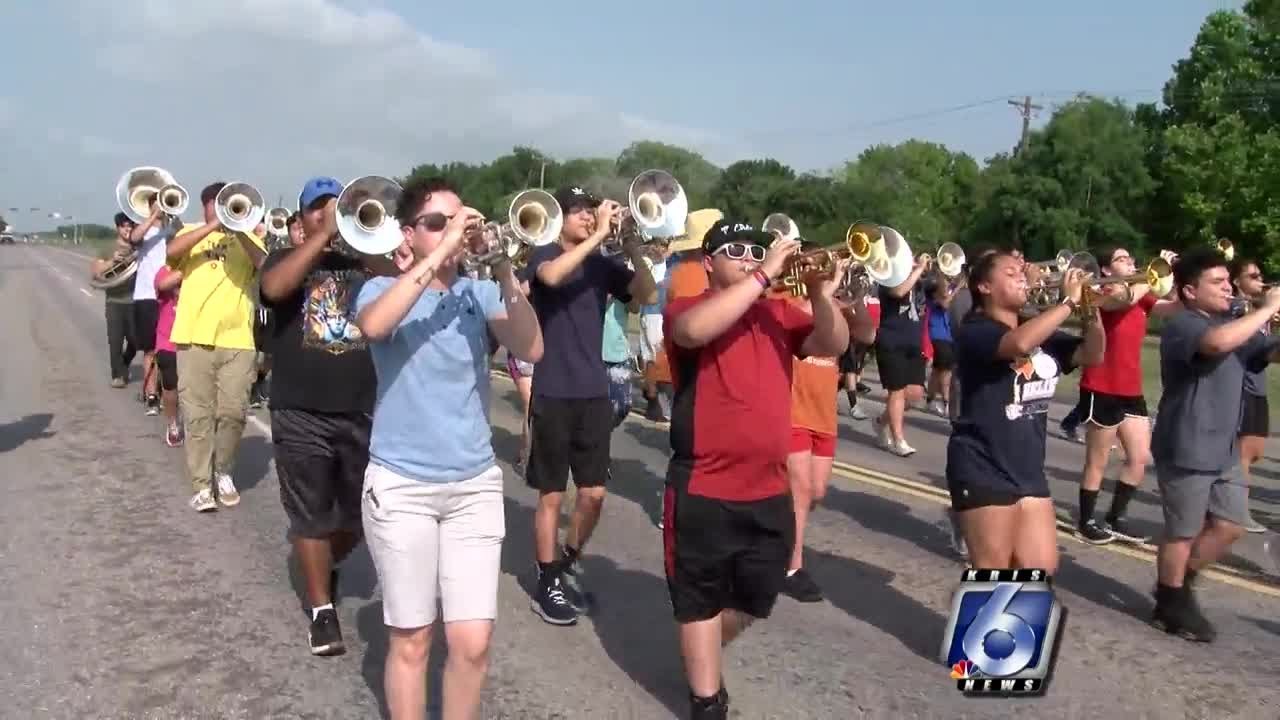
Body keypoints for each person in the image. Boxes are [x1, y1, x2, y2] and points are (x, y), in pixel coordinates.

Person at [354, 176, 542, 719]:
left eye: (460, 220)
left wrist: (502, 267)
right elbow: (375, 326)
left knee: (472, 643)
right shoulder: (378, 287)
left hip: (473, 486)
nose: (453, 230)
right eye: (437, 222)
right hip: (402, 486)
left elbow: (532, 346)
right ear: (407, 234)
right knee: (413, 640)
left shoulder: (478, 294)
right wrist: (436, 257)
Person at [663, 220, 848, 720]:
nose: (749, 256)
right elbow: (692, 332)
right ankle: (706, 699)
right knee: (699, 600)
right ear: (709, 262)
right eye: (736, 250)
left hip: (769, 488)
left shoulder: (778, 313)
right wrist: (765, 273)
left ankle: (698, 652)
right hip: (704, 483)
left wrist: (821, 295)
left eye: (756, 250)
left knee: (756, 599)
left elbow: (833, 343)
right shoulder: (688, 306)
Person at [258, 177, 384, 656]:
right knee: (310, 513)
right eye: (318, 209)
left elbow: (400, 276)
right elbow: (274, 289)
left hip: (361, 408)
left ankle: (319, 563)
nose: (327, 214)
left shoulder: (367, 263)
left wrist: (361, 239)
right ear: (302, 217)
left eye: (337, 207)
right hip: (299, 409)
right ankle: (321, 611)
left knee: (358, 516)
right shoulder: (283, 258)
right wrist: (324, 236)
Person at [523, 185, 657, 625]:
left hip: (593, 390)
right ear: (557, 218)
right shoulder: (544, 253)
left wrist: (633, 247)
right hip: (552, 388)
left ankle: (565, 561)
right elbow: (551, 279)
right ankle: (547, 581)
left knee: (594, 494)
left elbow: (647, 296)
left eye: (591, 210)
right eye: (578, 210)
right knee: (551, 495)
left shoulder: (602, 264)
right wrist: (599, 235)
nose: (587, 216)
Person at [946, 251, 1104, 572]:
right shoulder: (975, 329)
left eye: (1021, 271)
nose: (1022, 277)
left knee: (1040, 568)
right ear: (985, 287)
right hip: (982, 464)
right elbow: (1017, 345)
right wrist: (1068, 303)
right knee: (993, 571)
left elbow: (1093, 354)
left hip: (1028, 468)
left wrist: (1090, 309)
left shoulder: (1037, 329)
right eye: (1010, 273)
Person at [1151, 248, 1280, 641]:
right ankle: (1171, 602)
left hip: (1224, 446)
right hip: (1187, 443)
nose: (1228, 288)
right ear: (1190, 291)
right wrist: (1266, 308)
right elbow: (1216, 344)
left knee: (1230, 526)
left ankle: (1177, 584)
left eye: (1228, 281)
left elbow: (1268, 353)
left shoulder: (1233, 324)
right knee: (1183, 532)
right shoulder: (1183, 324)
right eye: (1218, 282)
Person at [165, 182, 267, 512]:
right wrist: (212, 226)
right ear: (206, 206)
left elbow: (263, 264)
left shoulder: (248, 236)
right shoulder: (190, 232)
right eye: (217, 203)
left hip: (237, 340)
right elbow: (172, 253)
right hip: (193, 338)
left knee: (233, 413)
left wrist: (238, 229)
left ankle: (223, 471)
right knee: (197, 416)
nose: (222, 208)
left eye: (228, 203)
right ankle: (201, 485)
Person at [1072, 247, 1180, 545]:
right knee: (1098, 460)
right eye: (1121, 259)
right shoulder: (1101, 291)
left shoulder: (1141, 292)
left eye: (1131, 258)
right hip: (1101, 385)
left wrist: (1182, 278)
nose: (1130, 261)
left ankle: (1115, 517)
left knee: (1140, 457)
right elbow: (1126, 299)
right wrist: (1152, 271)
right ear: (1106, 270)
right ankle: (1086, 520)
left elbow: (1174, 308)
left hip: (1131, 389)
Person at [782, 263, 875, 603]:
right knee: (801, 490)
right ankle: (791, 568)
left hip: (824, 415)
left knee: (816, 491)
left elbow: (867, 335)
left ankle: (773, 531)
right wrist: (821, 293)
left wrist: (856, 297)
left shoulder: (835, 304)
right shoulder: (785, 301)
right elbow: (803, 319)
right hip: (791, 409)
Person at [872, 252, 931, 456]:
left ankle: (881, 422)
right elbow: (899, 292)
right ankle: (898, 440)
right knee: (896, 392)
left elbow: (942, 295)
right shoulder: (887, 279)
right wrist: (918, 269)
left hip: (913, 342)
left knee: (915, 394)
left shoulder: (918, 283)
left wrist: (928, 272)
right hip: (891, 341)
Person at [1229, 257, 1272, 533]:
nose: (1261, 280)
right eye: (1253, 276)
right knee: (1242, 454)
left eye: (1260, 275)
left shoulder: (1258, 309)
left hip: (1258, 386)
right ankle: (1236, 512)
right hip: (1242, 387)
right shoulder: (1237, 307)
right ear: (1237, 281)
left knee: (1254, 452)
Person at [129, 197, 182, 415]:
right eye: (156, 202)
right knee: (150, 349)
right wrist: (153, 217)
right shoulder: (144, 228)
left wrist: (174, 221)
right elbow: (134, 238)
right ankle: (151, 395)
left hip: (169, 295)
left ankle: (167, 389)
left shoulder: (172, 229)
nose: (161, 205)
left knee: (170, 348)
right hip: (146, 295)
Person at [93, 213, 139, 388]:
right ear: (117, 228)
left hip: (135, 301)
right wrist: (112, 261)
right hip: (115, 301)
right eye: (124, 226)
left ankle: (124, 364)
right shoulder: (108, 248)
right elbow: (96, 272)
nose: (128, 229)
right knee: (115, 341)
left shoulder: (139, 246)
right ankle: (117, 376)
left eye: (131, 226)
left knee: (136, 341)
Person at [153, 264, 184, 447]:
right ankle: (172, 423)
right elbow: (163, 284)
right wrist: (187, 268)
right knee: (171, 384)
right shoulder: (166, 269)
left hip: (196, 339)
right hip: (168, 340)